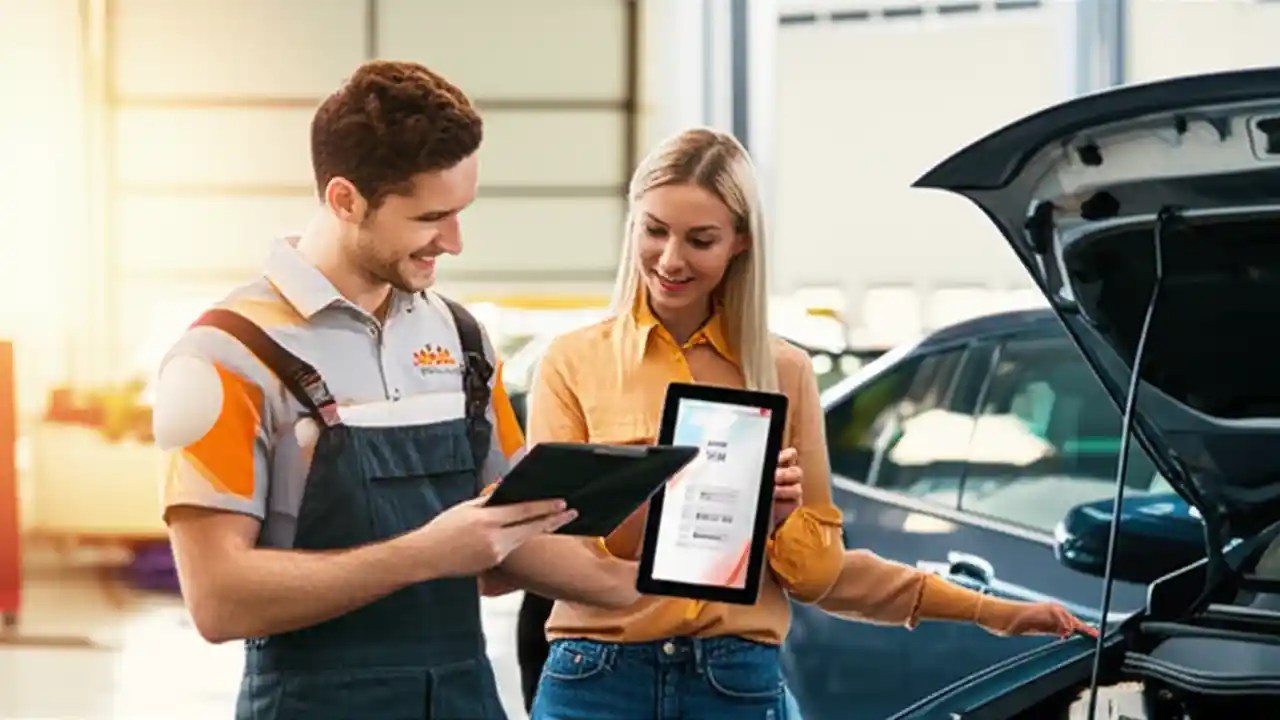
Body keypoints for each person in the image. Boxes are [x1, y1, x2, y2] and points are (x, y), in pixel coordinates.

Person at [517, 128, 1094, 720]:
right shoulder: (572, 361)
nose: (670, 259)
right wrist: (677, 499)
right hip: (598, 679)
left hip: (733, 681)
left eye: (701, 239)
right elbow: (554, 553)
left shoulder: (783, 371)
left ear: (740, 241)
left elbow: (821, 576)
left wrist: (990, 611)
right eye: (654, 230)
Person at [151, 60, 639, 720]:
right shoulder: (224, 355)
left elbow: (512, 539)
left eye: (461, 211)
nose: (456, 241)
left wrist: (677, 567)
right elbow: (218, 599)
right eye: (431, 216)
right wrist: (423, 555)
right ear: (346, 199)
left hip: (465, 700)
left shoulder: (463, 339)